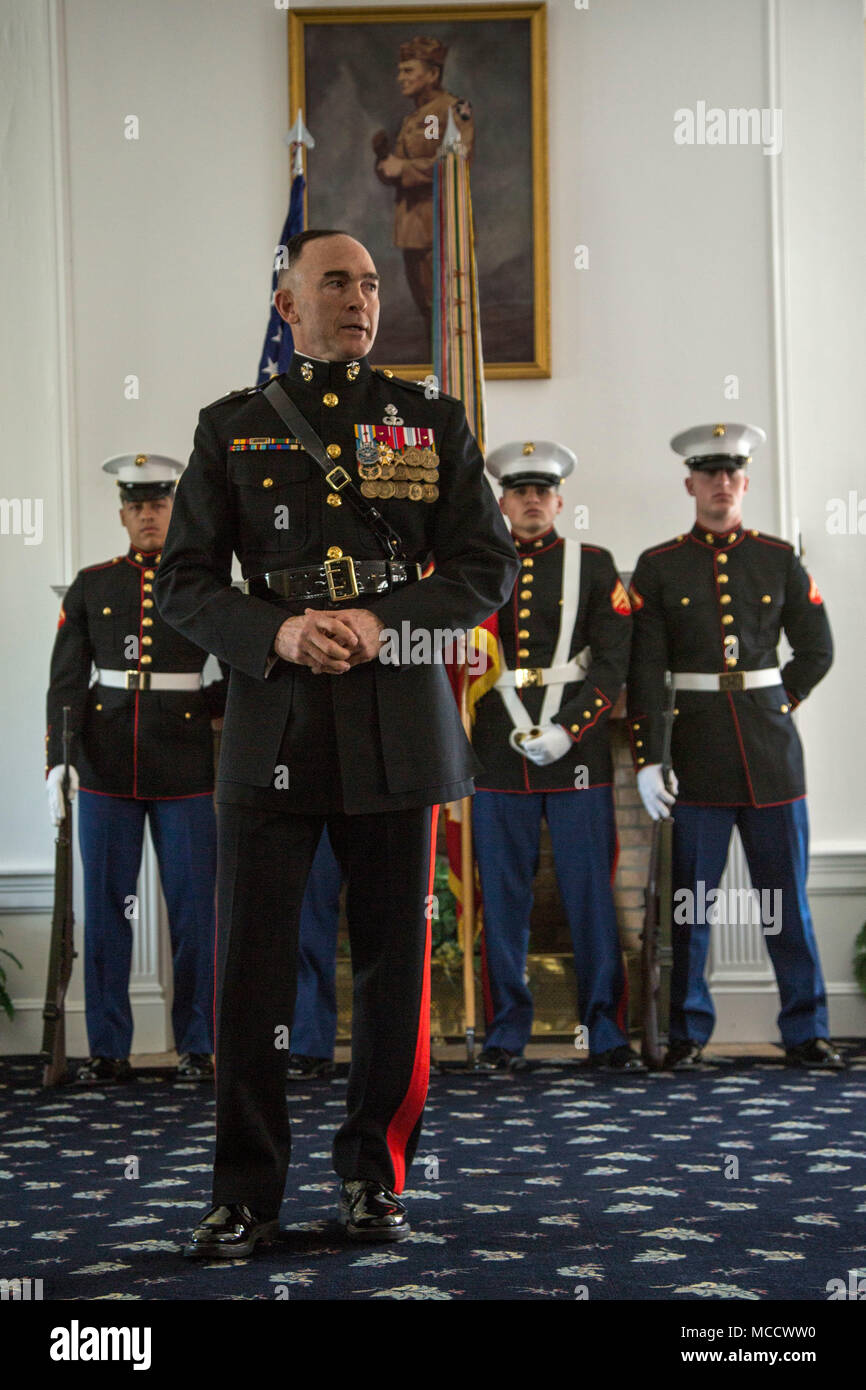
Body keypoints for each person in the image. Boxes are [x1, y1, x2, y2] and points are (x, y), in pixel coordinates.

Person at [155, 229, 518, 1256]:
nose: (359, 299)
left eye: (366, 284)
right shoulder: (231, 428)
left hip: (396, 715)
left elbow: (482, 567)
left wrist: (380, 622)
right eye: (334, 283)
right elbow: (185, 578)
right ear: (286, 302)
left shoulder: (426, 421)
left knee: (395, 968)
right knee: (252, 973)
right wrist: (272, 630)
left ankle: (373, 1178)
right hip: (272, 716)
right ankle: (244, 1192)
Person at [627, 422, 844, 1071]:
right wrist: (649, 757)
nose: (721, 484)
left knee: (787, 904)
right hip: (693, 755)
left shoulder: (778, 557)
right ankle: (689, 1032)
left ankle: (805, 1030)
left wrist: (778, 702)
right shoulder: (659, 566)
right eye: (709, 474)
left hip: (772, 755)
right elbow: (645, 670)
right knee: (690, 906)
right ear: (690, 482)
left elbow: (817, 648)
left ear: (745, 482)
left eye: (732, 474)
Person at [45, 455, 226, 1086]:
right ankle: (109, 1048)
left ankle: (198, 1044)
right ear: (122, 513)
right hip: (103, 766)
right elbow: (67, 681)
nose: (148, 515)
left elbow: (239, 670)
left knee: (195, 911)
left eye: (159, 504)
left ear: (176, 510)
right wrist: (58, 763)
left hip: (187, 769)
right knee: (105, 911)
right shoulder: (93, 584)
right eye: (136, 505)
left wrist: (204, 707)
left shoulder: (204, 583)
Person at [469, 440, 641, 1073]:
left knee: (590, 896)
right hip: (495, 750)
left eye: (543, 490)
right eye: (520, 491)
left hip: (579, 756)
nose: (532, 500)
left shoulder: (595, 566)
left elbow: (615, 662)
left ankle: (606, 1033)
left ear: (561, 500)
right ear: (503, 501)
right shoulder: (475, 568)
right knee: (503, 901)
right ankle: (505, 1035)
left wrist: (570, 729)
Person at [374, 36, 474, 339]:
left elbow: (455, 163)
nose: (400, 78)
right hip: (412, 229)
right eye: (400, 71)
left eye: (408, 71)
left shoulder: (455, 110)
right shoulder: (412, 118)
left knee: (447, 315)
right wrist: (383, 163)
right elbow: (400, 167)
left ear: (432, 73)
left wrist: (402, 168)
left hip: (442, 227)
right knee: (428, 312)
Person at [287, 827, 342, 1079]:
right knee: (309, 928)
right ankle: (310, 1044)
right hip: (311, 802)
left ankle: (399, 1047)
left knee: (391, 926)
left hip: (380, 798)